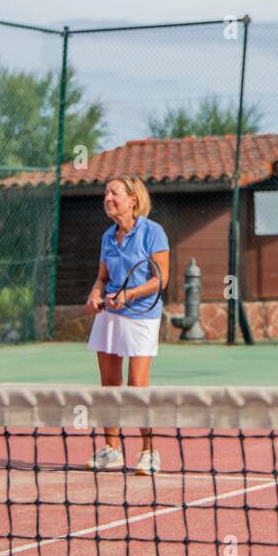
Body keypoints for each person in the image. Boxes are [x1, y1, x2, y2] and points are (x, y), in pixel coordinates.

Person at [84, 175, 170, 476]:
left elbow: (161, 279)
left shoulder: (153, 232)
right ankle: (111, 449)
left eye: (114, 193)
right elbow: (103, 277)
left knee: (137, 385)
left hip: (142, 316)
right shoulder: (108, 236)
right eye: (106, 192)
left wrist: (129, 294)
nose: (108, 197)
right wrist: (96, 293)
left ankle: (148, 452)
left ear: (133, 199)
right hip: (109, 314)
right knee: (109, 386)